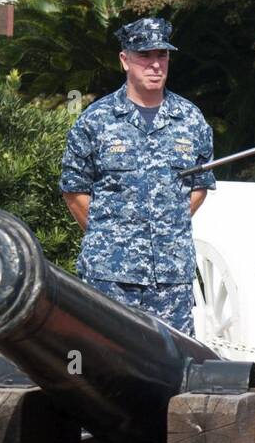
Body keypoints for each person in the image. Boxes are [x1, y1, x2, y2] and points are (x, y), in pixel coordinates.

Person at [60, 17, 214, 335]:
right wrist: (111, 236)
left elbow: (201, 184)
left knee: (174, 368)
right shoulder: (96, 121)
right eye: (145, 55)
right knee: (106, 364)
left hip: (171, 274)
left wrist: (166, 227)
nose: (155, 64)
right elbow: (74, 188)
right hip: (110, 274)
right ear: (125, 60)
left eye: (162, 55)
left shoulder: (190, 119)